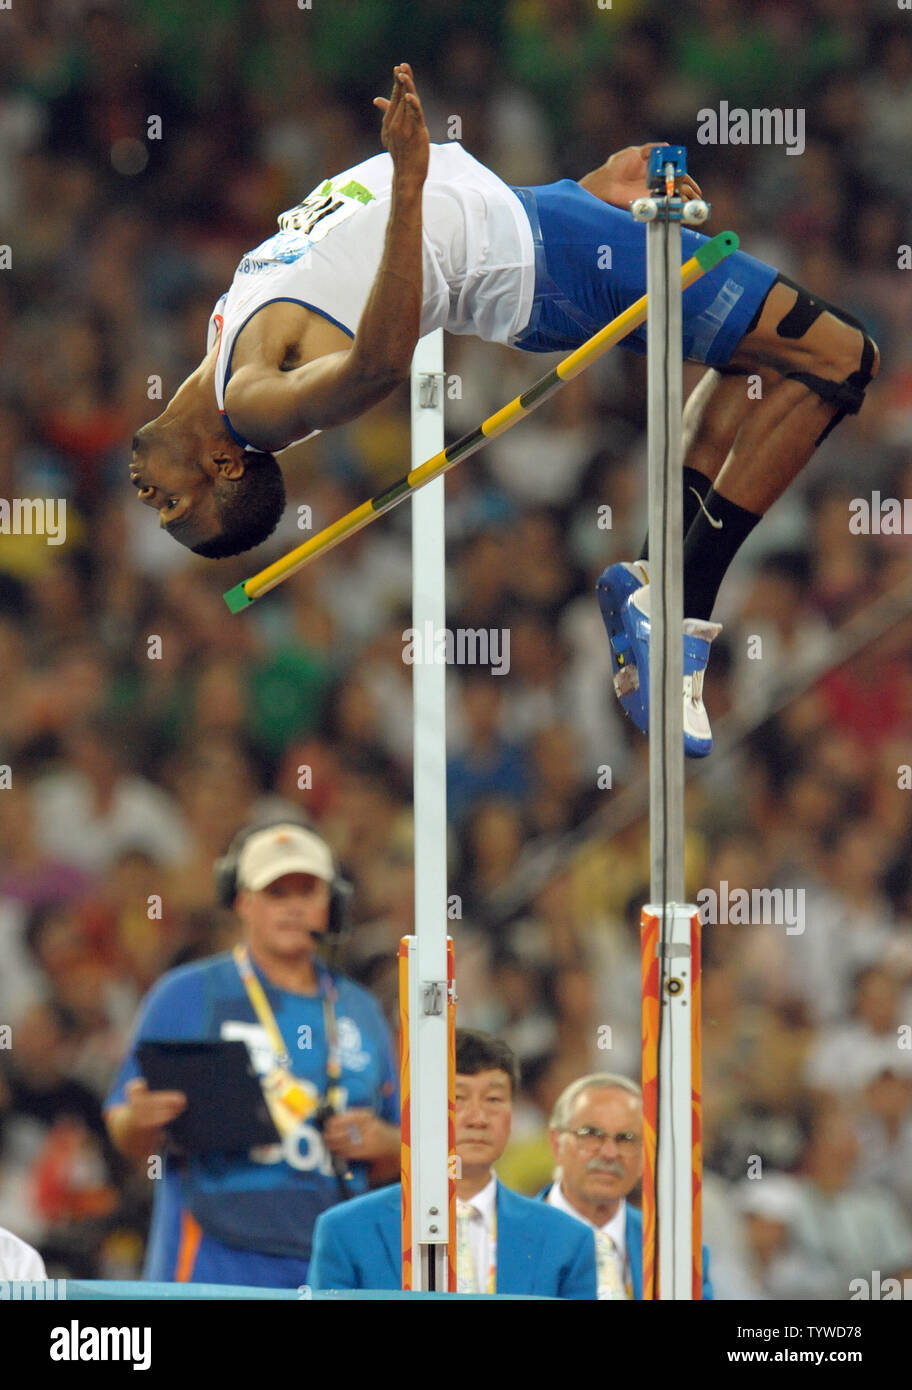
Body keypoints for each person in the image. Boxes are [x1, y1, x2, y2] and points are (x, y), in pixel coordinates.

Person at [130, 63, 878, 755]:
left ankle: (661, 586)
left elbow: (406, 237)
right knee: (843, 359)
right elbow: (379, 364)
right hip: (542, 260)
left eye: (160, 507)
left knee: (762, 361)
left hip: (536, 223)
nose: (147, 499)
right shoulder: (254, 408)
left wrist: (585, 192)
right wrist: (413, 183)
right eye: (173, 505)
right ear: (226, 464)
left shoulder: (221, 336)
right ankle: (677, 609)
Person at [104, 820, 399, 1287]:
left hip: (331, 1260)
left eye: (307, 891)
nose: (293, 907)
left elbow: (400, 1148)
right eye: (276, 892)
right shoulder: (186, 994)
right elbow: (124, 1125)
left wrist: (384, 1142)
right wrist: (139, 1121)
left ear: (332, 905)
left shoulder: (361, 1009)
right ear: (242, 901)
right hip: (212, 1256)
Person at [308, 1029, 597, 1298]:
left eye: (494, 1099)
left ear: (512, 1113)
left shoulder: (568, 1240)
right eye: (457, 1099)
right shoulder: (346, 1230)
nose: (478, 1118)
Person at [540, 1072, 713, 1299]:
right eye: (591, 1134)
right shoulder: (506, 1239)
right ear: (556, 1144)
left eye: (626, 1139)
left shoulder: (678, 1254)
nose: (609, 1153)